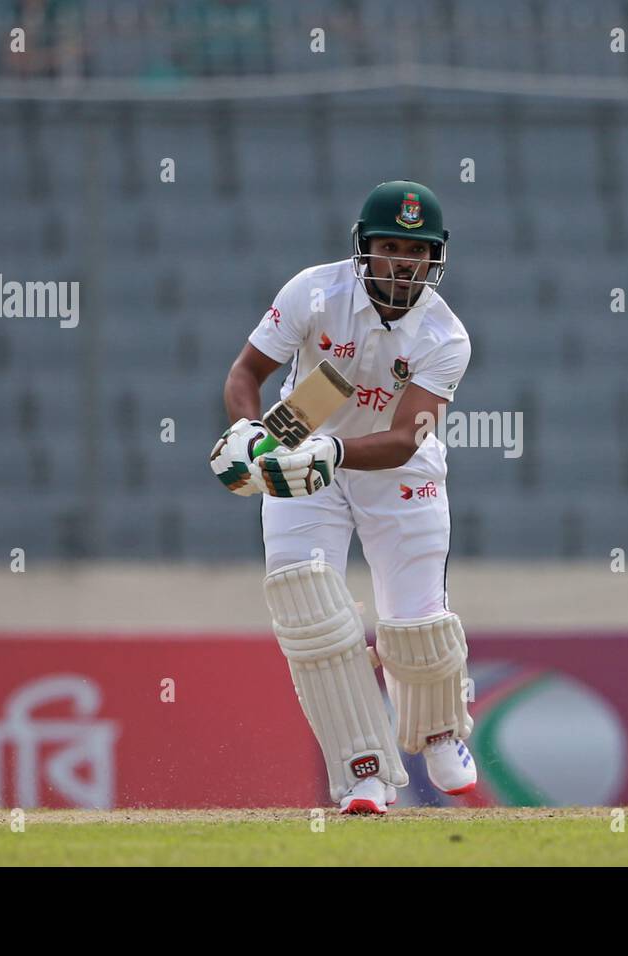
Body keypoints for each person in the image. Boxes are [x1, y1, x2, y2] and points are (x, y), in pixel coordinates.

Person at [210, 181, 476, 814]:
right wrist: (248, 432)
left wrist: (331, 454)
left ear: (435, 258)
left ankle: (440, 733)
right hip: (302, 449)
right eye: (389, 247)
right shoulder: (314, 291)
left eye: (417, 251)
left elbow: (406, 440)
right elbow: (246, 375)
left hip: (389, 468)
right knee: (310, 614)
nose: (402, 263)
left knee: (412, 623)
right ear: (364, 249)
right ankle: (364, 772)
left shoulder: (446, 337)